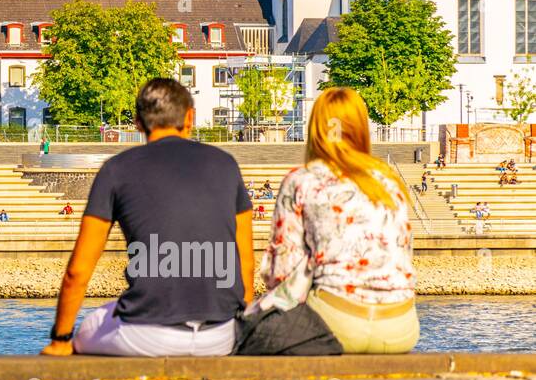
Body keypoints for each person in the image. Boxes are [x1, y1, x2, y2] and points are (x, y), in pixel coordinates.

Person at [43, 78, 253, 358]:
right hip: (221, 335)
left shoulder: (116, 170)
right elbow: (246, 265)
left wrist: (60, 338)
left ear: (138, 122)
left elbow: (77, 271)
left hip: (147, 335)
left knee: (87, 329)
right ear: (190, 116)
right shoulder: (226, 165)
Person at [260, 87, 417, 355]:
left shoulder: (302, 180)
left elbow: (281, 275)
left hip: (338, 323)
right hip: (400, 326)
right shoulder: (390, 182)